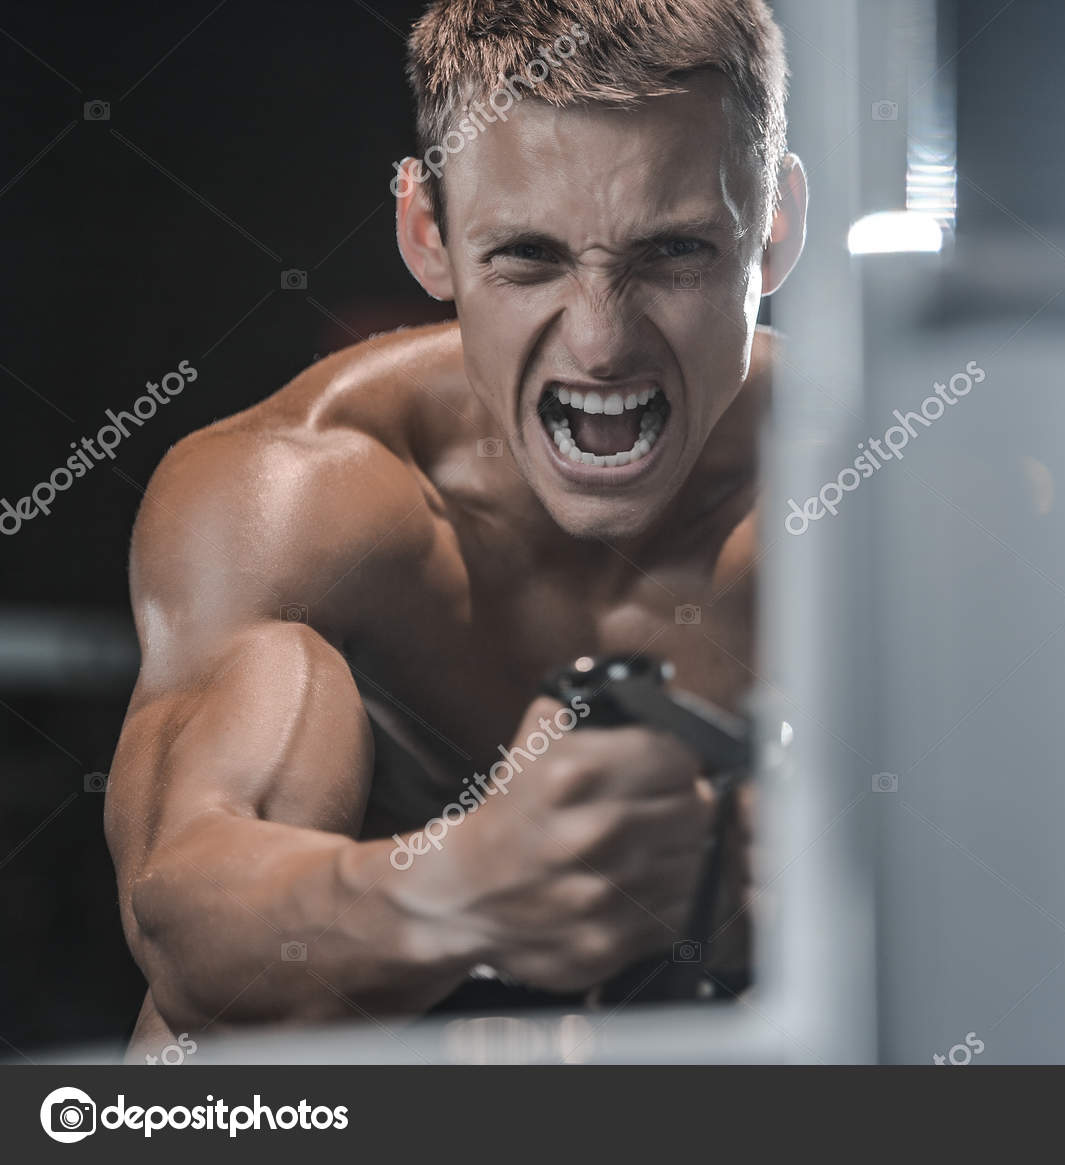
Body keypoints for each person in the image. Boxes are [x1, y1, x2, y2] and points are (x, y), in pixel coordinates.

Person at [103, 0, 807, 1058]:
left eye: (674, 253)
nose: (603, 343)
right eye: (527, 256)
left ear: (775, 227)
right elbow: (184, 926)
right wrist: (459, 885)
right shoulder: (303, 494)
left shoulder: (876, 492)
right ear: (426, 233)